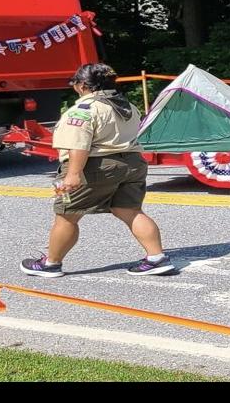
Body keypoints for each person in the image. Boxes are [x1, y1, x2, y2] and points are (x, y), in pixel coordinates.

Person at [21, 63, 173, 278]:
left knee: (67, 216)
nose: (74, 86)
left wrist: (72, 175)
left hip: (97, 167)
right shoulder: (128, 105)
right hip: (132, 163)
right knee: (130, 211)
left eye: (75, 83)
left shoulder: (83, 111)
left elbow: (78, 145)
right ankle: (157, 258)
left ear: (83, 85)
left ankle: (51, 263)